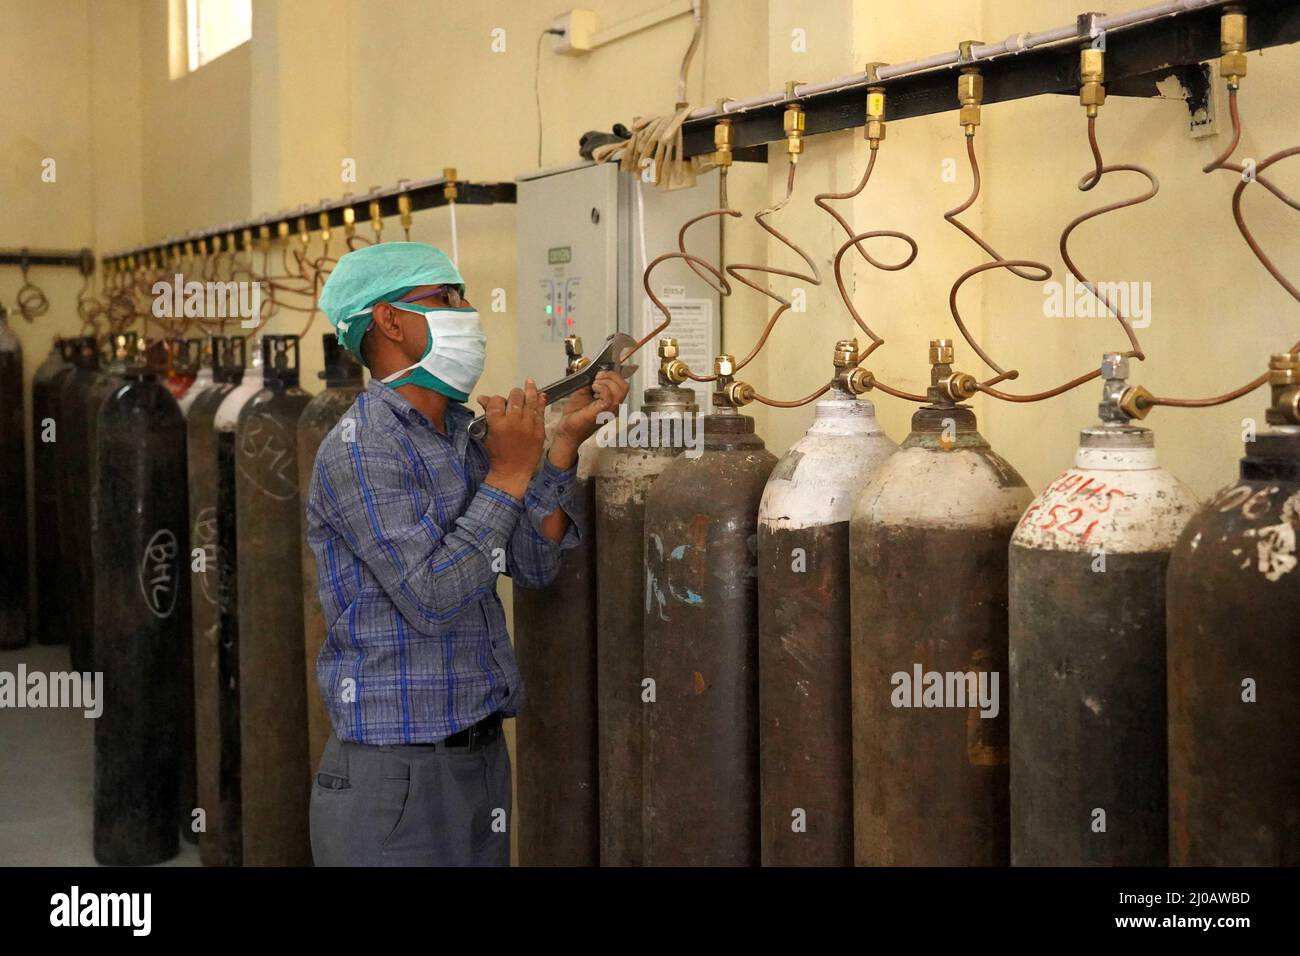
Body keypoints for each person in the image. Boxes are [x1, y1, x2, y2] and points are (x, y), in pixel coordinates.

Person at [307, 242, 627, 866]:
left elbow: (533, 565)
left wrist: (559, 447)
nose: (469, 311)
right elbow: (431, 598)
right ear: (390, 321)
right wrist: (510, 474)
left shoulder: (461, 434)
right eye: (447, 299)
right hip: (394, 776)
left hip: (478, 758)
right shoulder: (362, 449)